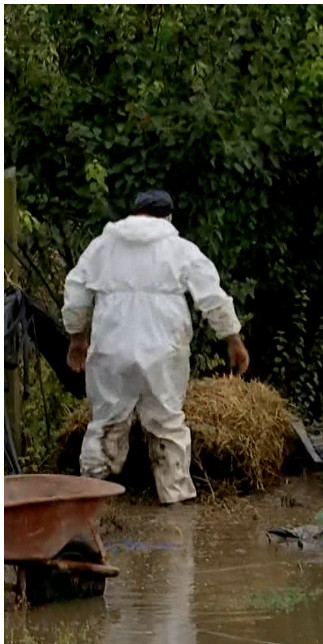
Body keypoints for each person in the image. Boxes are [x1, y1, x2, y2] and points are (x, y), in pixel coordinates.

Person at [62, 189, 249, 504]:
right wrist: (233, 338)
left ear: (135, 213)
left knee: (106, 421)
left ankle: (92, 504)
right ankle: (175, 505)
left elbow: (77, 290)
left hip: (111, 350)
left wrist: (77, 339)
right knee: (166, 424)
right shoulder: (180, 249)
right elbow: (211, 297)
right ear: (168, 216)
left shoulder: (102, 247)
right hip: (164, 351)